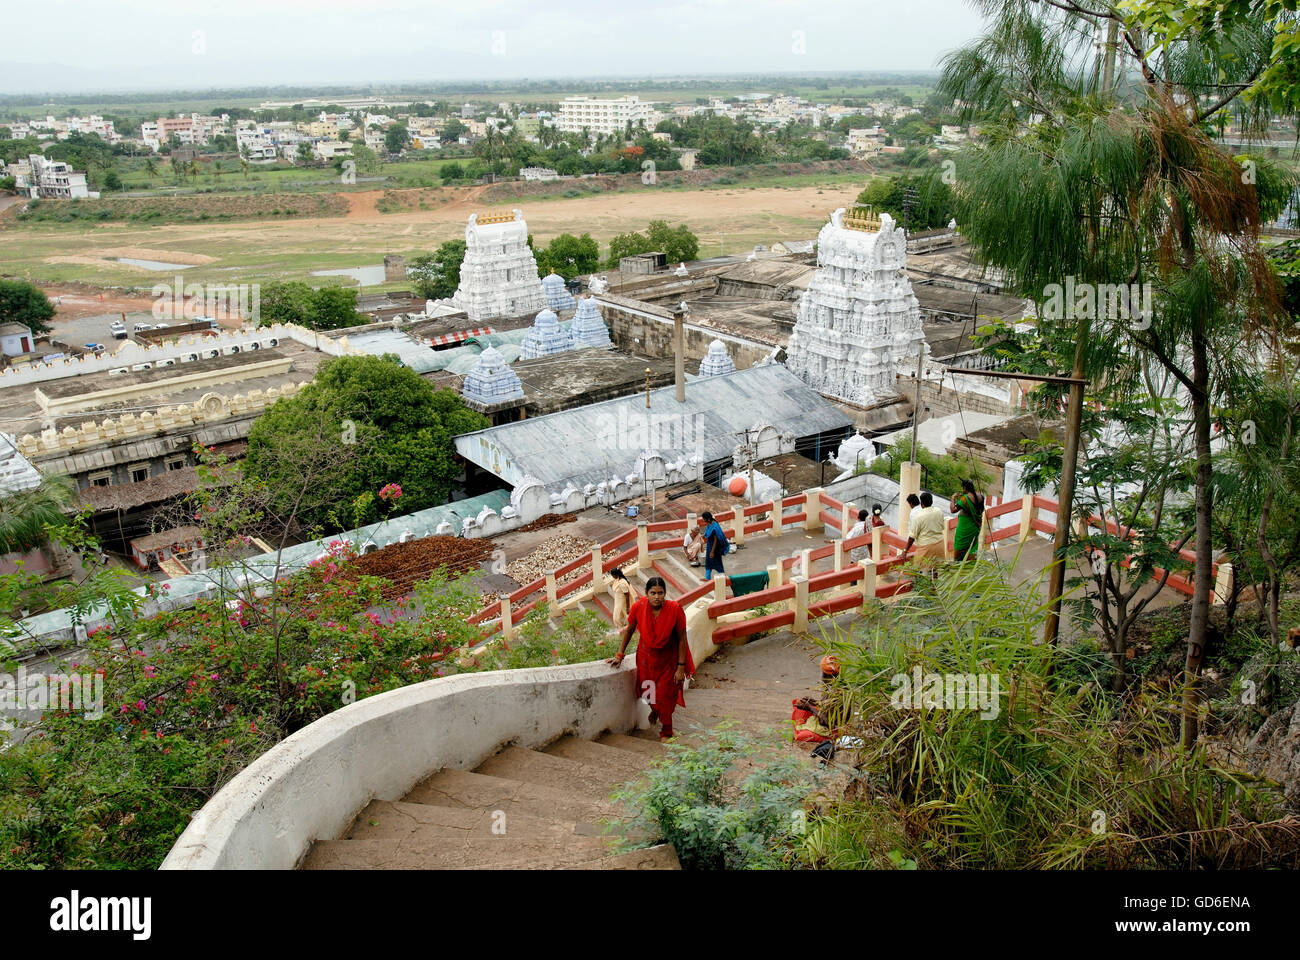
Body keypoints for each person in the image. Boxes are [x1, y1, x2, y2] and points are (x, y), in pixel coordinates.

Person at [607, 577, 694, 742]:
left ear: (665, 594)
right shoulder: (638, 608)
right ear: (646, 594)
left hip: (669, 660)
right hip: (646, 660)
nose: (657, 597)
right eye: (653, 593)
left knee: (666, 696)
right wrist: (620, 655)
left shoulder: (675, 609)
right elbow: (630, 630)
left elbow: (682, 639)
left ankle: (667, 732)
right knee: (649, 694)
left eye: (660, 593)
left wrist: (681, 667)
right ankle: (656, 710)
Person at [903, 491, 947, 565]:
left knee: (921, 570)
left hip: (925, 547)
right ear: (932, 501)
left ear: (922, 503)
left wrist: (905, 550)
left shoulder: (918, 517)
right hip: (940, 544)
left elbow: (912, 537)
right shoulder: (939, 511)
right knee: (936, 568)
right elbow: (942, 527)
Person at [950, 479, 986, 561]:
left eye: (963, 488)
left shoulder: (965, 499)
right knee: (972, 545)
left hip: (964, 527)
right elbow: (982, 510)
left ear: (965, 488)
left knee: (960, 545)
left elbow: (953, 510)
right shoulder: (981, 497)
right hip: (975, 527)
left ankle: (958, 563)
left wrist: (953, 498)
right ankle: (970, 562)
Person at [701, 510, 729, 582]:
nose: (704, 521)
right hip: (710, 545)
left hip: (715, 547)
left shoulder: (715, 527)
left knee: (717, 562)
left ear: (708, 519)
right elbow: (707, 531)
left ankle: (722, 577)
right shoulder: (709, 524)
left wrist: (712, 552)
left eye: (704, 519)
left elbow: (716, 540)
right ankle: (707, 577)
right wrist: (702, 535)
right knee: (708, 561)